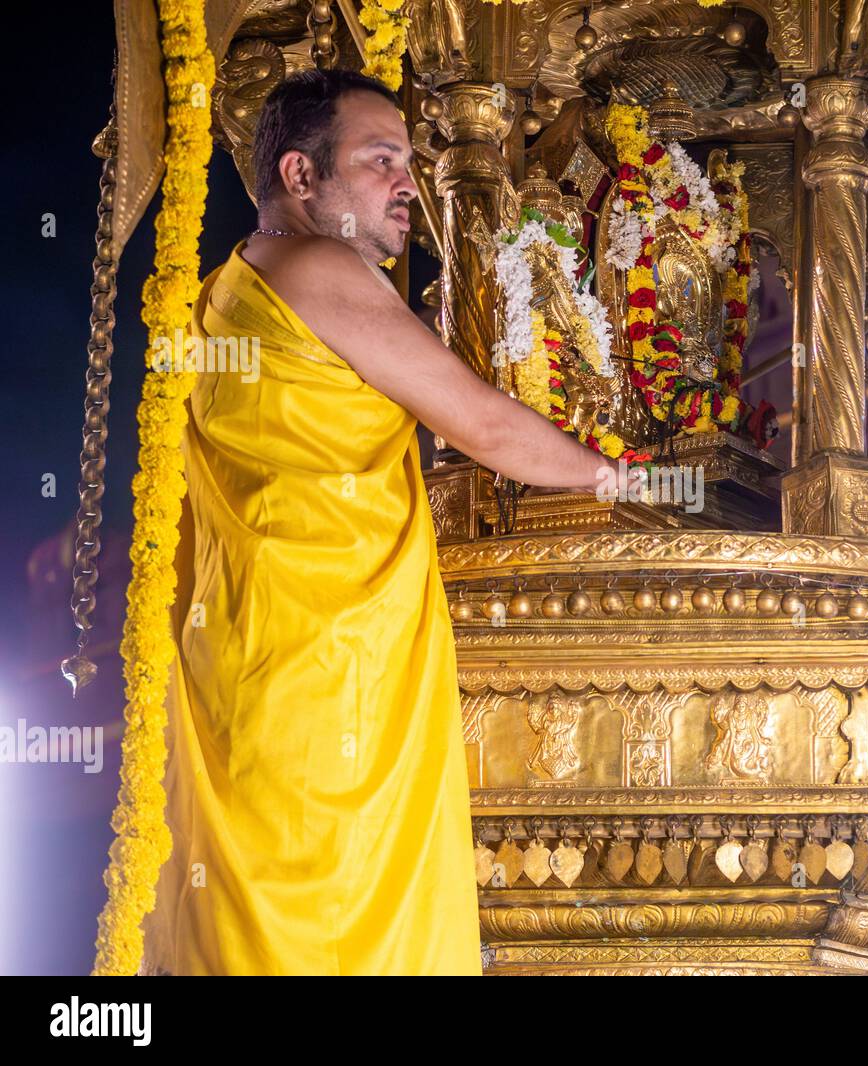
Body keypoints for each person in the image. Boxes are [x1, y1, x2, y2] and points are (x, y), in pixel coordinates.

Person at [138, 68, 618, 975]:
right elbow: (480, 424)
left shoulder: (225, 291)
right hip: (324, 677)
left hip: (255, 668)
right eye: (381, 160)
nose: (410, 182)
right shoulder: (316, 267)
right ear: (300, 176)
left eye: (410, 160)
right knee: (334, 925)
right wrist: (631, 482)